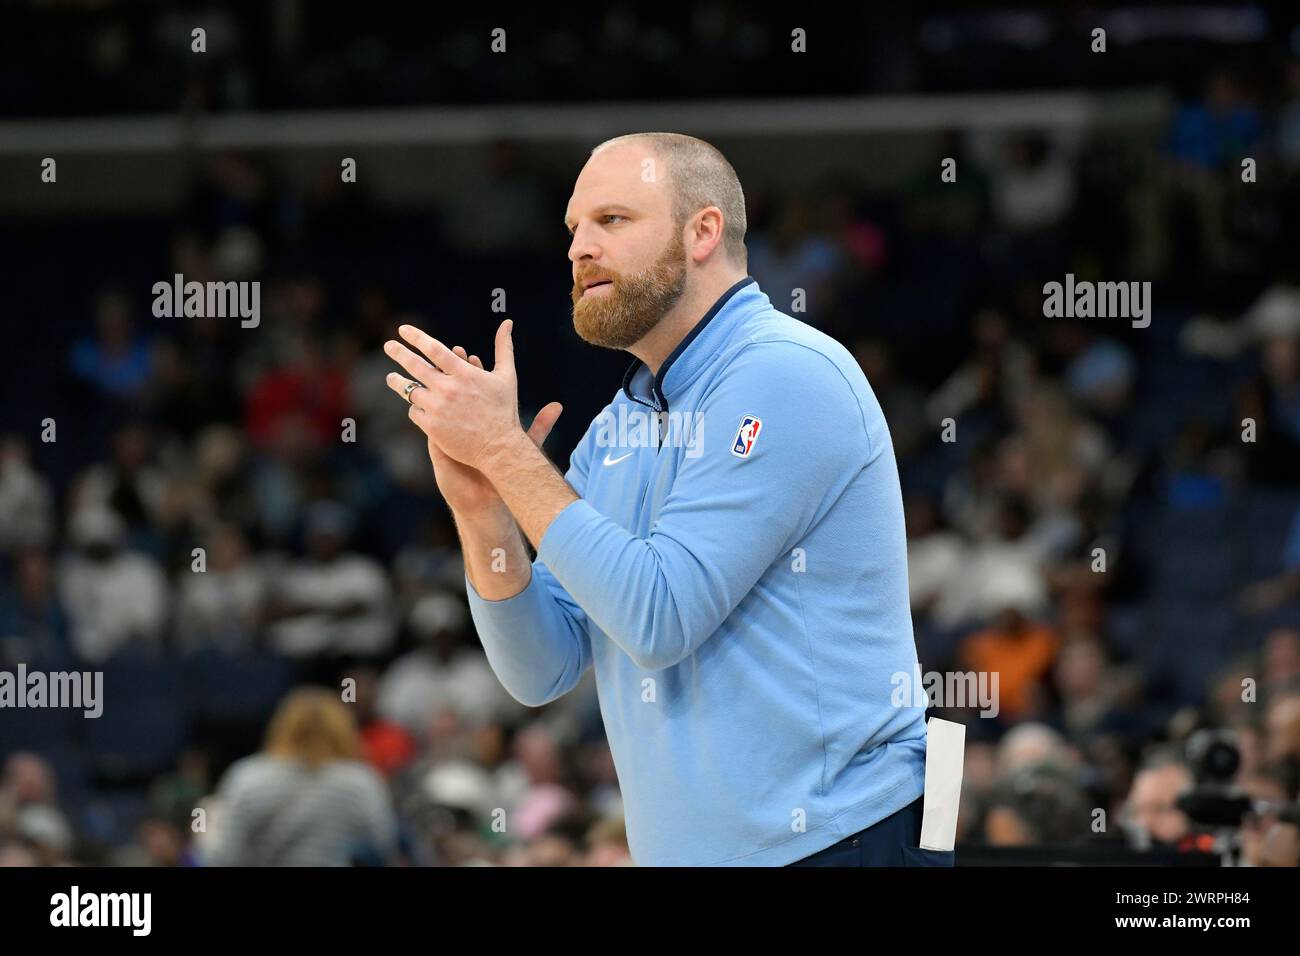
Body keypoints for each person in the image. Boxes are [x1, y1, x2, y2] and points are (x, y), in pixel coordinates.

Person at [383, 132, 933, 866]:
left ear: (703, 231)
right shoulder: (619, 424)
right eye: (572, 228)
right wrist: (484, 507)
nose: (578, 247)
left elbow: (660, 615)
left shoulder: (786, 373)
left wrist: (509, 453)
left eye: (611, 220)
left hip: (845, 838)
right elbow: (540, 668)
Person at [202, 688, 397, 866]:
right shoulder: (361, 781)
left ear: (281, 727)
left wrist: (205, 831)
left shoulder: (248, 777)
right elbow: (384, 844)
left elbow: (224, 858)